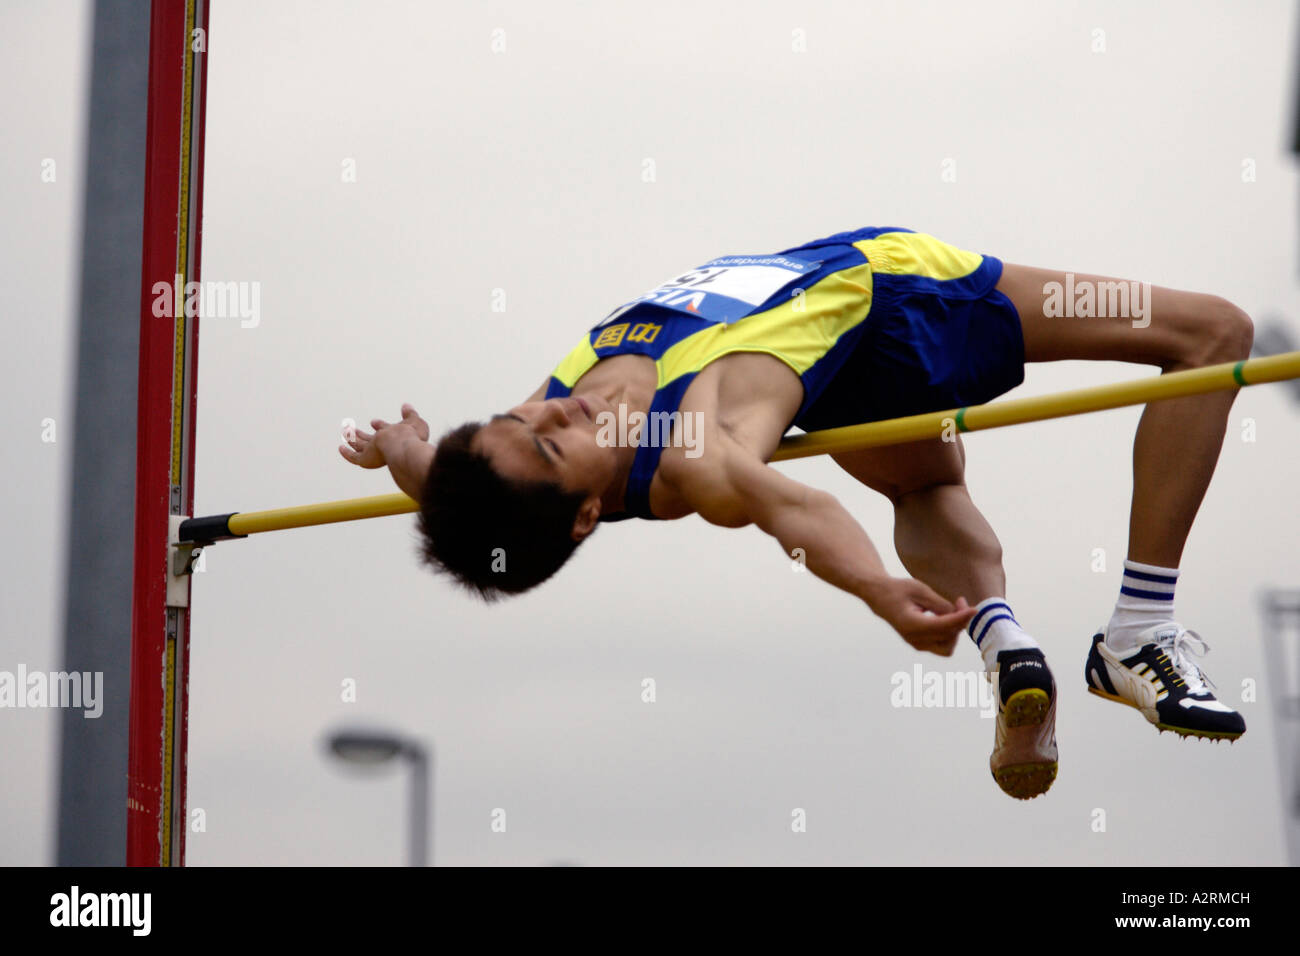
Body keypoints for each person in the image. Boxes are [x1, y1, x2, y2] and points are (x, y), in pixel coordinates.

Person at [340, 226, 1252, 800]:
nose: (548, 408)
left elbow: (448, 488)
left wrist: (405, 455)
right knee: (1213, 333)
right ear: (585, 515)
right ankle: (1139, 629)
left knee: (925, 487)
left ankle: (1002, 638)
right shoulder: (701, 451)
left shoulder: (510, 473)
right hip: (896, 289)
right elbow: (799, 510)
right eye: (544, 441)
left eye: (517, 415)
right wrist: (879, 591)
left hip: (836, 374)